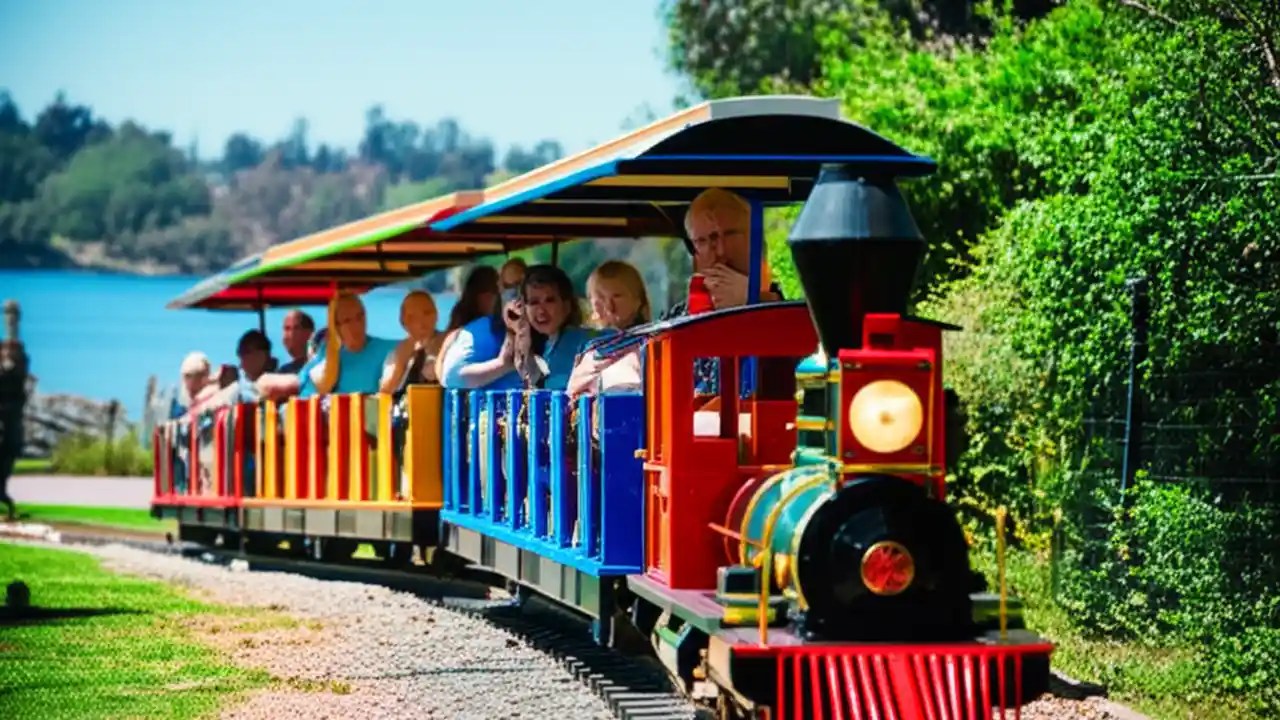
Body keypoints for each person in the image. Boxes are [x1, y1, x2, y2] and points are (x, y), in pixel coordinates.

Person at [258, 293, 397, 400]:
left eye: (360, 316)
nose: (356, 324)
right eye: (347, 320)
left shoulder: (388, 349)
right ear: (336, 326)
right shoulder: (327, 352)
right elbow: (304, 386)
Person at [567, 261, 651, 397]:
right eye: (600, 297)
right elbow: (572, 391)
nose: (609, 306)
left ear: (637, 300)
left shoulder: (650, 342)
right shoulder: (587, 344)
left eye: (617, 296)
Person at [434, 266, 501, 385]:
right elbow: (443, 364)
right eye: (491, 292)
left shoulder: (460, 313)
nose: (492, 298)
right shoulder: (461, 320)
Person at [380, 290, 444, 393]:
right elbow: (385, 391)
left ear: (436, 315)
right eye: (412, 317)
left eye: (427, 313)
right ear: (403, 321)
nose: (421, 321)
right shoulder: (398, 353)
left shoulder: (448, 344)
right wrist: (401, 363)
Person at [0, 300, 29, 521]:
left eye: (13, 315)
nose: (11, 319)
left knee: (10, 451)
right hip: (5, 414)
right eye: (8, 315)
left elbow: (20, 382)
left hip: (12, 416)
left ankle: (2, 489)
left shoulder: (20, 356)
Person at [278, 310, 315, 374]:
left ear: (309, 333)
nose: (288, 335)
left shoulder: (318, 365)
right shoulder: (284, 370)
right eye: (286, 329)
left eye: (296, 328)